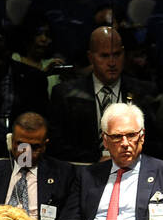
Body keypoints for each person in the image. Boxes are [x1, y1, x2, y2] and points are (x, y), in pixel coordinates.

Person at [48, 26, 157, 164]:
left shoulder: (144, 92)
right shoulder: (65, 94)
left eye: (117, 55)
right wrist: (96, 160)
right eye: (104, 56)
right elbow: (56, 146)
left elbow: (155, 144)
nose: (112, 63)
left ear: (124, 54)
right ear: (90, 57)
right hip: (82, 172)